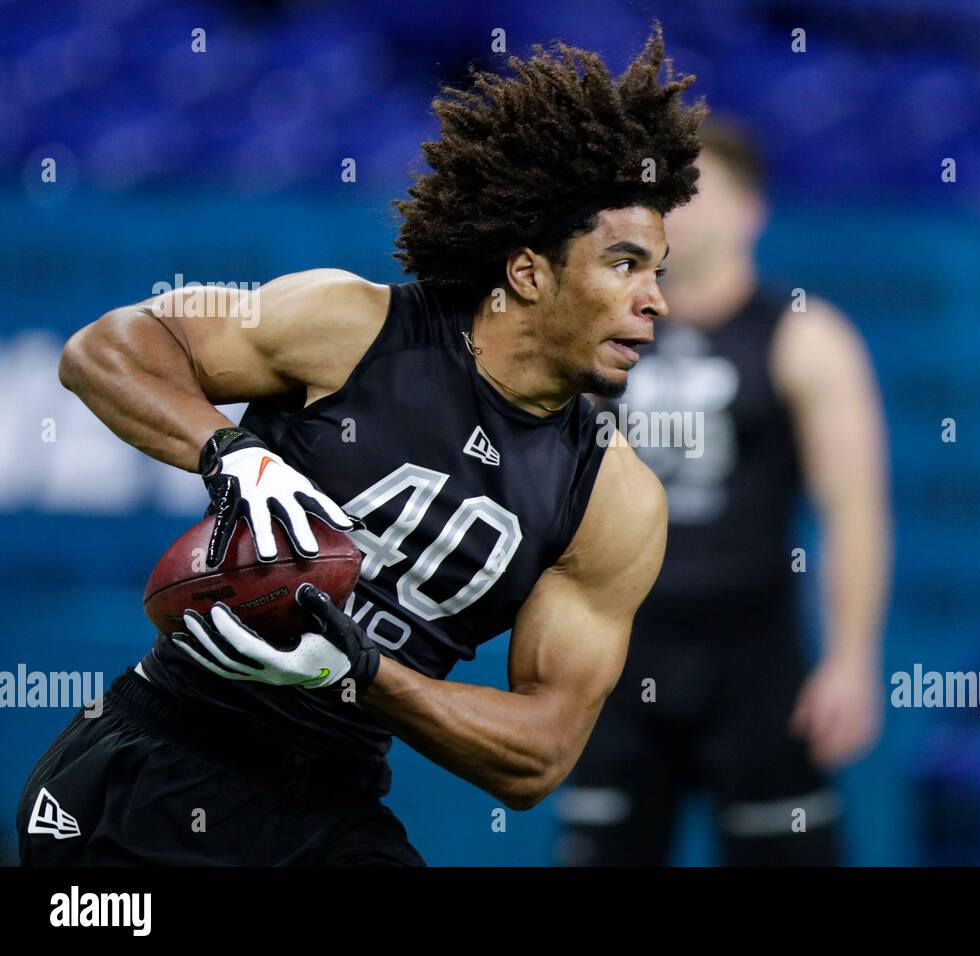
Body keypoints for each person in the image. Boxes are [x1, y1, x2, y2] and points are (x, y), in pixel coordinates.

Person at [18, 26, 706, 866]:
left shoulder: (613, 498)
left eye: (659, 272)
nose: (655, 302)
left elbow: (540, 755)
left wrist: (363, 673)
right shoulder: (352, 327)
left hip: (330, 801)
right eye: (625, 265)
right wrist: (234, 453)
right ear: (529, 273)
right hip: (154, 761)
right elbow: (103, 351)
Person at [554, 120, 891, 866]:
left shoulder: (805, 337)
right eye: (665, 193)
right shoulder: (593, 337)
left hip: (757, 661)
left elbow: (853, 510)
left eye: (698, 191)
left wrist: (852, 657)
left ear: (752, 210)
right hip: (622, 655)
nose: (679, 211)